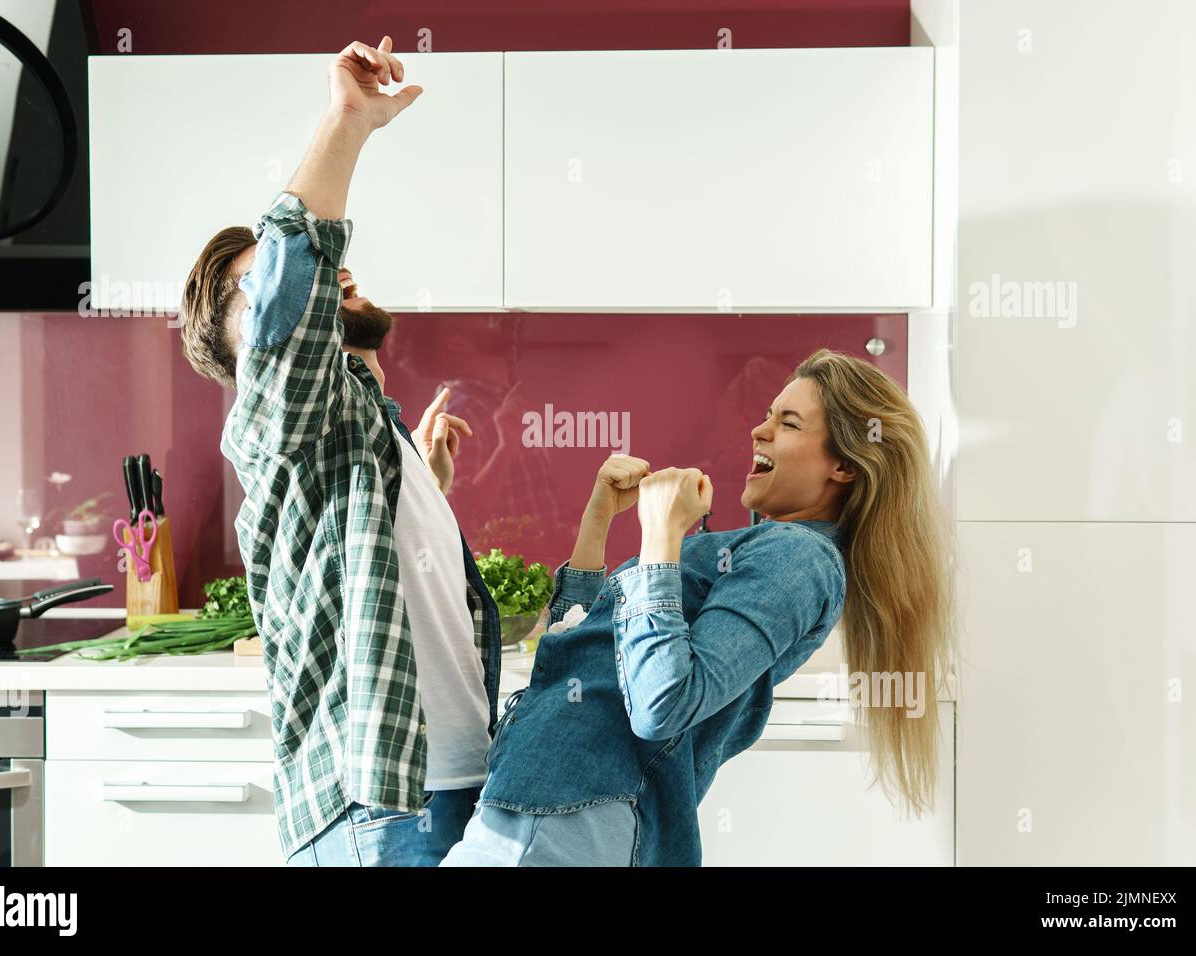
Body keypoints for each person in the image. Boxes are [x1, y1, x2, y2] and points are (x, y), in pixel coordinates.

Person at [177, 37, 501, 866]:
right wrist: (347, 123)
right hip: (381, 807)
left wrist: (421, 484)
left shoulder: (362, 426)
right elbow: (294, 292)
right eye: (264, 292)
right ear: (256, 364)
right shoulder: (273, 420)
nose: (328, 280)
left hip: (448, 788)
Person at [440, 349, 955, 866]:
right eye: (768, 415)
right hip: (537, 809)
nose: (760, 430)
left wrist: (661, 536)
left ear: (843, 463)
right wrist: (597, 523)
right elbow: (575, 654)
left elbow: (664, 702)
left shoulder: (800, 557)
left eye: (789, 422)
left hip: (566, 821)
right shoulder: (759, 549)